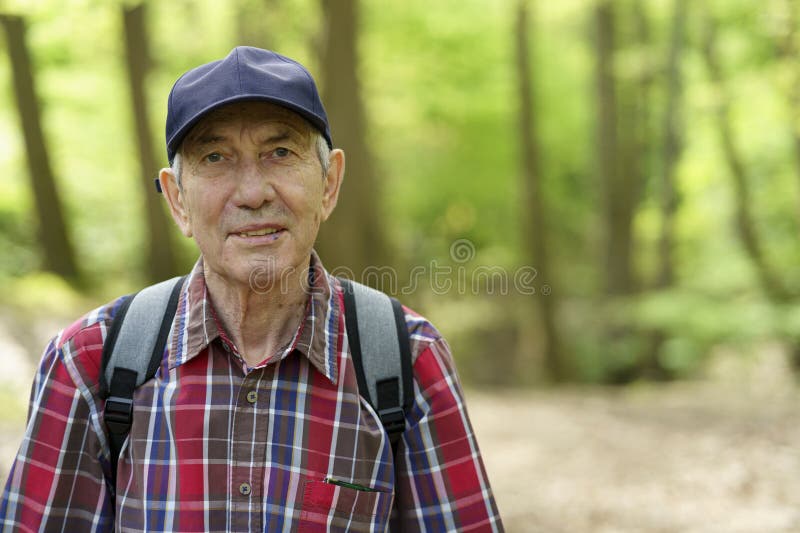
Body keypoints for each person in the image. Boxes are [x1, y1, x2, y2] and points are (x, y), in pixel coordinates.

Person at [0, 47, 503, 532]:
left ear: (329, 184)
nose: (253, 192)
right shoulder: (90, 363)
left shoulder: (405, 361)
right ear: (177, 201)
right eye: (216, 157)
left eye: (280, 152)